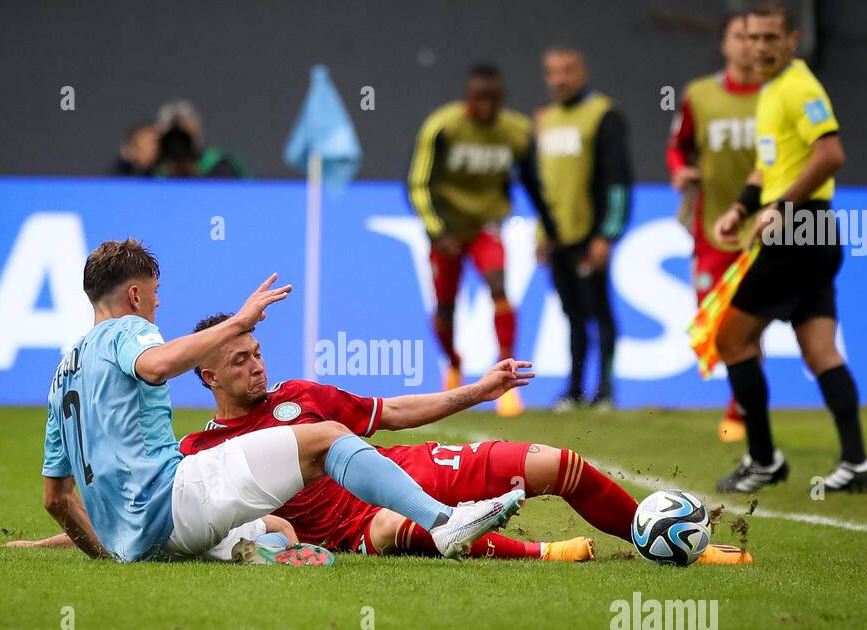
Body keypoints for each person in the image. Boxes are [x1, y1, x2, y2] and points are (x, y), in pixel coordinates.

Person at [18, 313, 752, 566]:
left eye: (257, 351)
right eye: (239, 357)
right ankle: (541, 551)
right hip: (358, 526)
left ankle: (660, 536)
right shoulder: (201, 454)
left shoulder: (302, 397)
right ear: (205, 373)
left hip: (405, 466)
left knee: (554, 462)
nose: (256, 363)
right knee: (410, 533)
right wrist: (52, 539)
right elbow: (133, 516)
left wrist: (476, 391)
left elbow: (392, 412)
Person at [38, 238, 524, 563]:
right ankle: (444, 522)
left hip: (139, 539)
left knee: (271, 527)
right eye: (157, 294)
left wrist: (110, 553)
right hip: (173, 503)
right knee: (328, 438)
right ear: (137, 294)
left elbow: (56, 498)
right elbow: (156, 365)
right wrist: (240, 319)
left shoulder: (63, 374)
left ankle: (262, 551)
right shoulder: (129, 329)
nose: (159, 305)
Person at [709, 0, 867, 494]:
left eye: (769, 38)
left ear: (791, 40)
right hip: (812, 230)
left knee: (731, 340)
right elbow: (769, 164)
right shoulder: (773, 89)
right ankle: (857, 463)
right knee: (821, 351)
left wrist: (780, 205)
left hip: (799, 229)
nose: (759, 47)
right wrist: (741, 206)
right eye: (751, 37)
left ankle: (762, 460)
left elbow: (831, 154)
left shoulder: (798, 86)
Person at [407, 63, 561, 417]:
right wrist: (438, 231)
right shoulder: (443, 126)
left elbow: (533, 184)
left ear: (502, 99)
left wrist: (549, 230)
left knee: (499, 287)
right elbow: (417, 182)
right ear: (468, 99)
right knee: (445, 307)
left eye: (494, 99)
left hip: (486, 226)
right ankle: (454, 364)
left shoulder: (517, 131)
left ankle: (506, 380)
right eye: (480, 99)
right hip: (446, 229)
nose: (487, 106)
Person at [667, 15, 761, 442]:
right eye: (739, 37)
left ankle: (740, 411)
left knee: (747, 324)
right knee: (718, 328)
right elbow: (678, 145)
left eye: (754, 38)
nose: (747, 45)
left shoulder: (779, 95)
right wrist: (680, 171)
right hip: (712, 229)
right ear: (724, 44)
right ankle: (742, 401)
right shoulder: (699, 95)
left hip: (766, 229)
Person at [535, 47, 633, 411]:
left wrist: (607, 234)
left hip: (589, 235)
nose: (560, 79)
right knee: (572, 314)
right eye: (552, 72)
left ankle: (605, 391)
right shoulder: (545, 119)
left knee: (599, 310)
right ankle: (574, 389)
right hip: (557, 237)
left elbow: (618, 179)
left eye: (568, 70)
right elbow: (543, 183)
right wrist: (541, 234)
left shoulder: (603, 114)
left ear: (583, 72)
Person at [153, 100, 247, 178]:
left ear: (197, 131)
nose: (178, 144)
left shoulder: (219, 166)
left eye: (185, 134)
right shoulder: (155, 169)